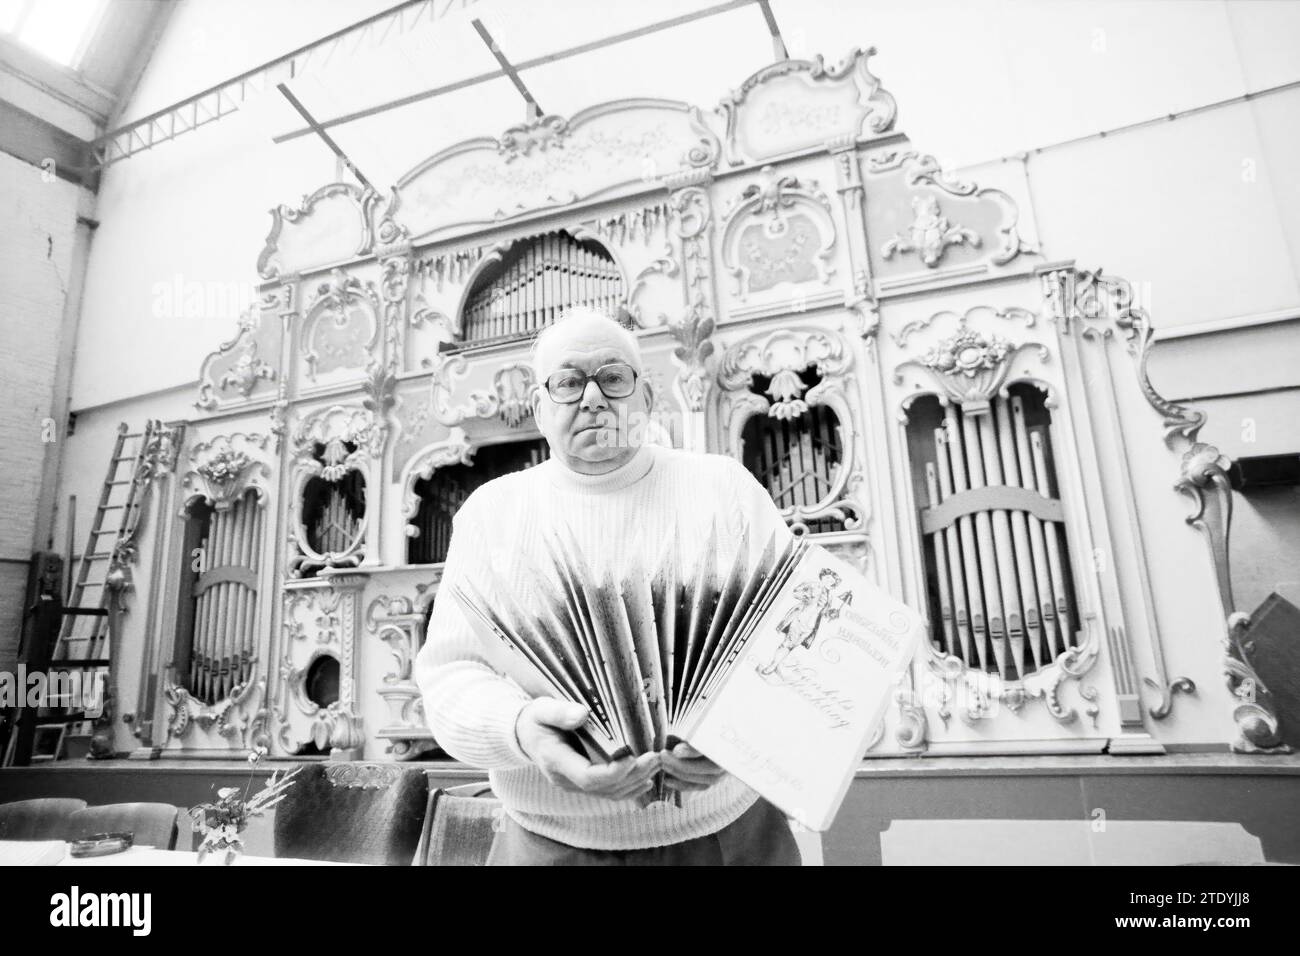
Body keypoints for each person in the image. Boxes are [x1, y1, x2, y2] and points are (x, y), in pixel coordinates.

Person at [415, 306, 801, 865]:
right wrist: (521, 729)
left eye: (613, 378)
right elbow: (450, 677)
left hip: (732, 834)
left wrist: (742, 735)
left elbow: (800, 643)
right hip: (551, 846)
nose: (592, 398)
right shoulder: (491, 513)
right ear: (540, 409)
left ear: (645, 398)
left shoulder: (726, 491)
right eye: (569, 382)